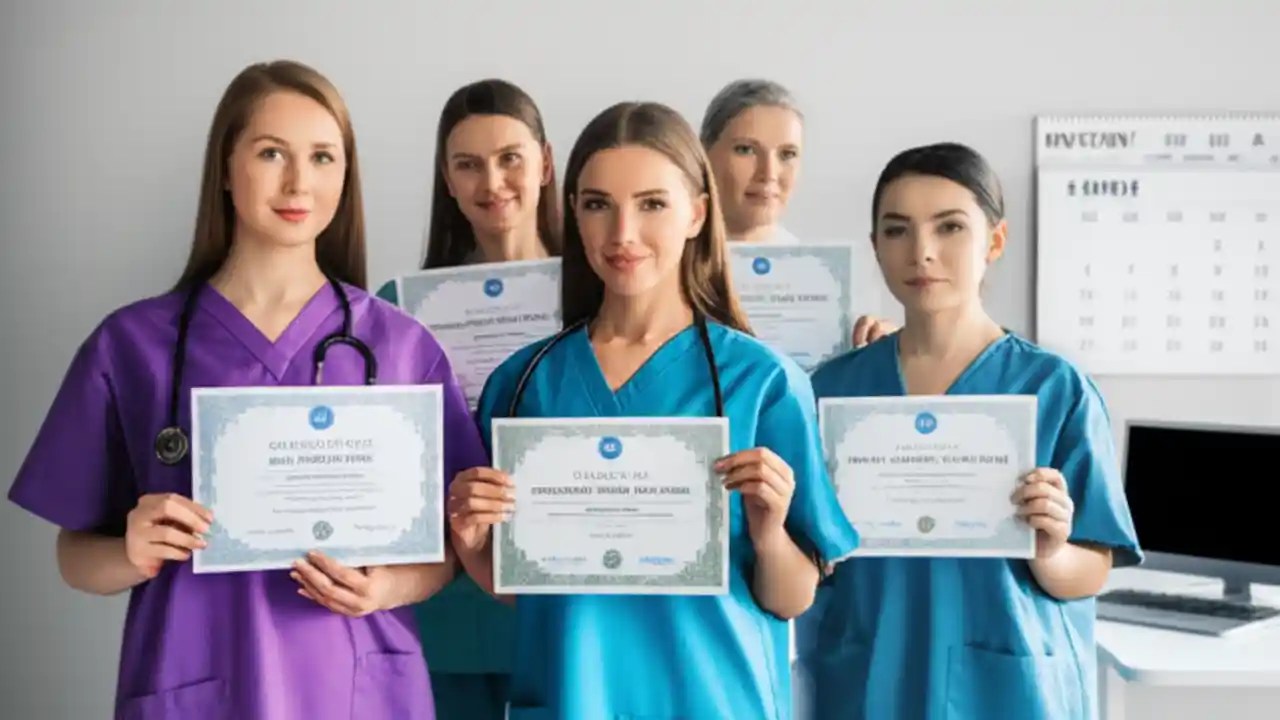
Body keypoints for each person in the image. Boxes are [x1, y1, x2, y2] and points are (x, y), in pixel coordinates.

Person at [6, 60, 486, 719]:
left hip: (357, 689)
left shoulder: (401, 347)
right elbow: (73, 557)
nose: (299, 182)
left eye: (323, 157)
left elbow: (450, 550)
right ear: (226, 170)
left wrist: (387, 587)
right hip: (197, 682)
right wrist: (131, 551)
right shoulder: (134, 345)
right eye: (270, 153)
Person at [447, 101, 860, 718]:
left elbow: (792, 597)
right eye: (597, 205)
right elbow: (522, 592)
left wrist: (770, 531)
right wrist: (473, 541)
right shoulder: (524, 382)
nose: (622, 234)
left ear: (697, 211)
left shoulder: (762, 381)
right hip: (572, 697)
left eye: (652, 204)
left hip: (715, 699)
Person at [793, 142, 1143, 720]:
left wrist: (1051, 550)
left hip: (1007, 683)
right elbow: (804, 561)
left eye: (950, 227)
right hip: (866, 673)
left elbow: (1092, 570)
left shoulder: (1055, 388)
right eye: (897, 230)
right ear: (875, 247)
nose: (922, 252)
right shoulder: (829, 391)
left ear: (995, 242)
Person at [374, 78, 561, 720]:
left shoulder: (609, 302)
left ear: (545, 162)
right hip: (442, 608)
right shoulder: (395, 311)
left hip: (562, 587)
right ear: (446, 181)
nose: (493, 182)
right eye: (468, 164)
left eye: (510, 157)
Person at [700, 78, 895, 349]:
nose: (769, 173)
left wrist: (882, 348)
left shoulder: (830, 285)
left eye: (787, 154)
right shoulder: (661, 266)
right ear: (703, 154)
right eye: (745, 150)